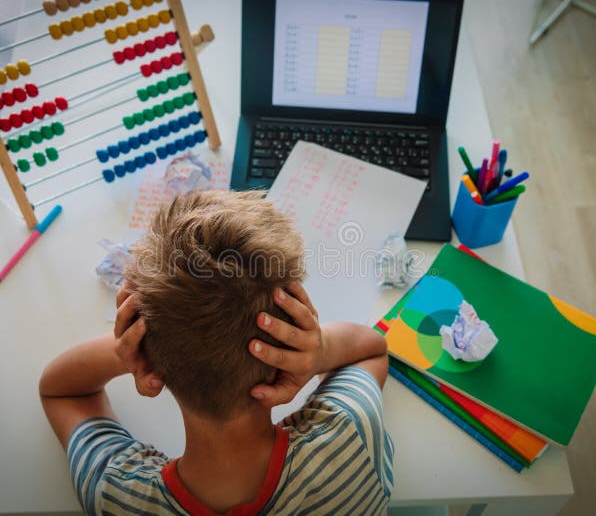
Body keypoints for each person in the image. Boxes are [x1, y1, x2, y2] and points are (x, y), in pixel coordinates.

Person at [39, 190, 394, 515]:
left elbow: (60, 391)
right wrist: (320, 352)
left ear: (147, 361)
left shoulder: (117, 497)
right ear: (285, 354)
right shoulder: (349, 439)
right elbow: (371, 349)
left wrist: (136, 347)